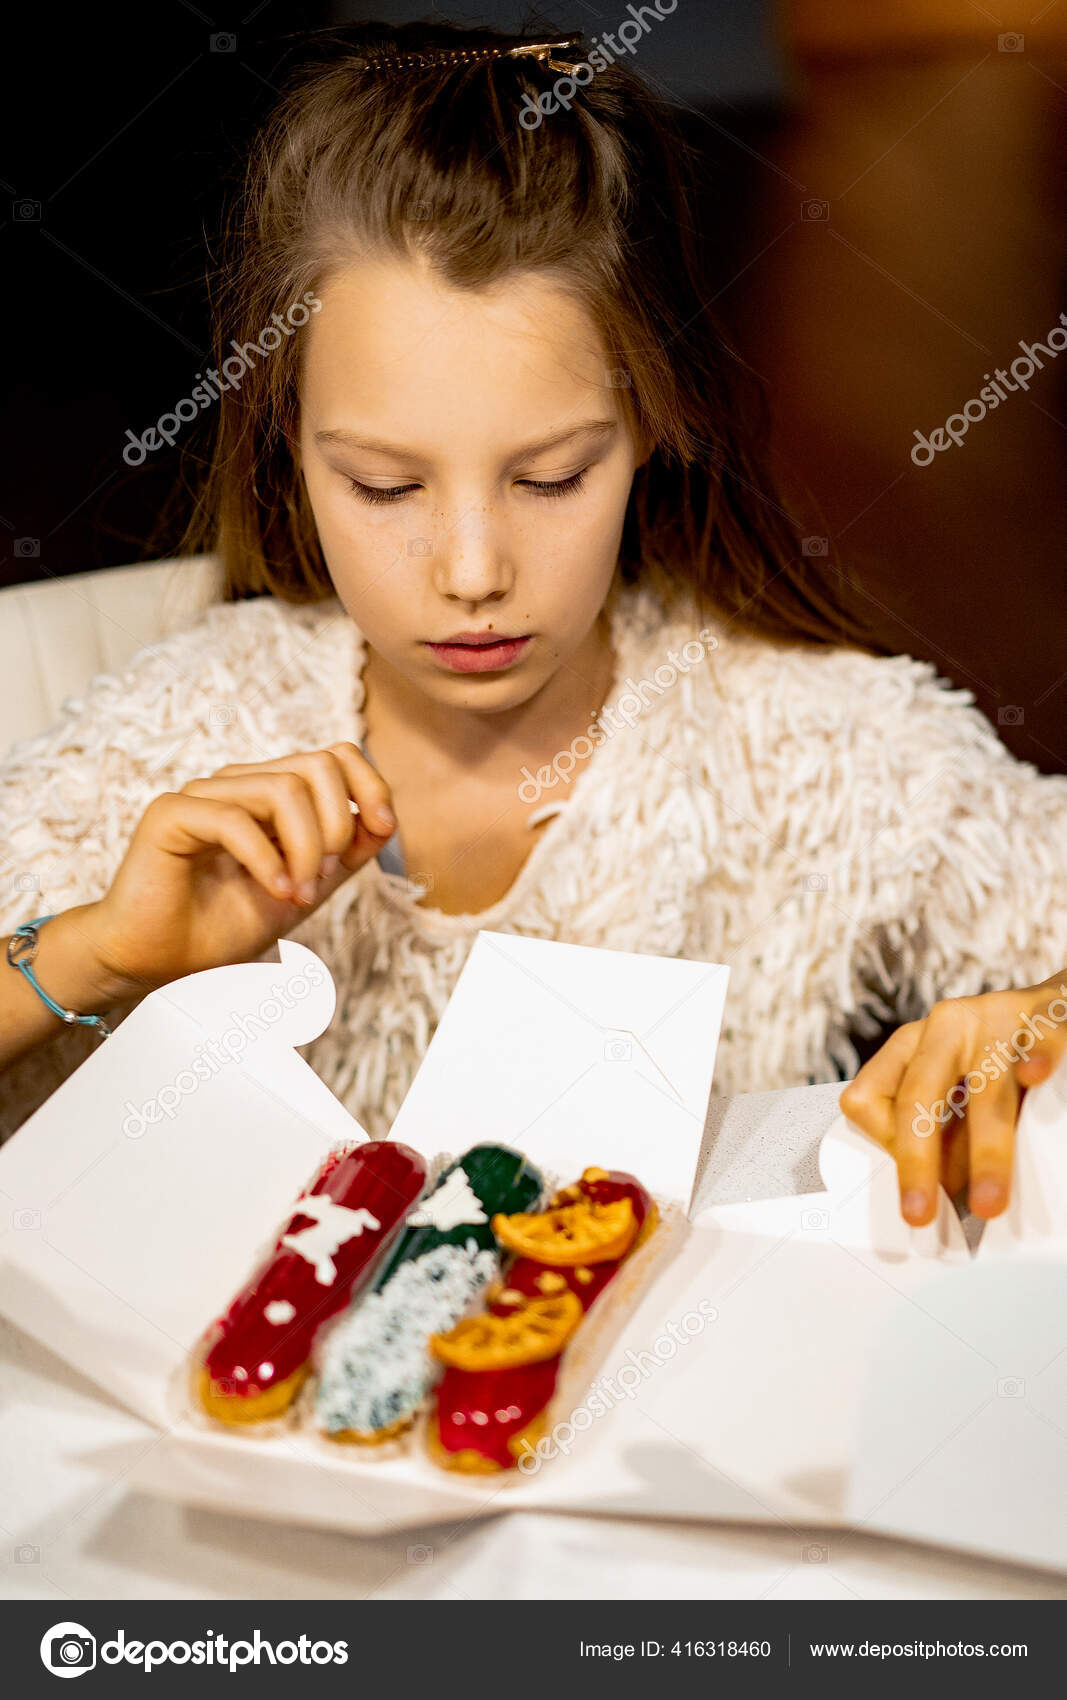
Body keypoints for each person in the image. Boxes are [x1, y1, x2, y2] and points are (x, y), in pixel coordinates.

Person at [2, 22, 1065, 1236]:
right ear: (286, 440)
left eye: (551, 476)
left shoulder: (817, 749)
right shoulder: (176, 740)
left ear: (656, 421)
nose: (470, 571)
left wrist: (1035, 1016)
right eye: (386, 488)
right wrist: (96, 953)